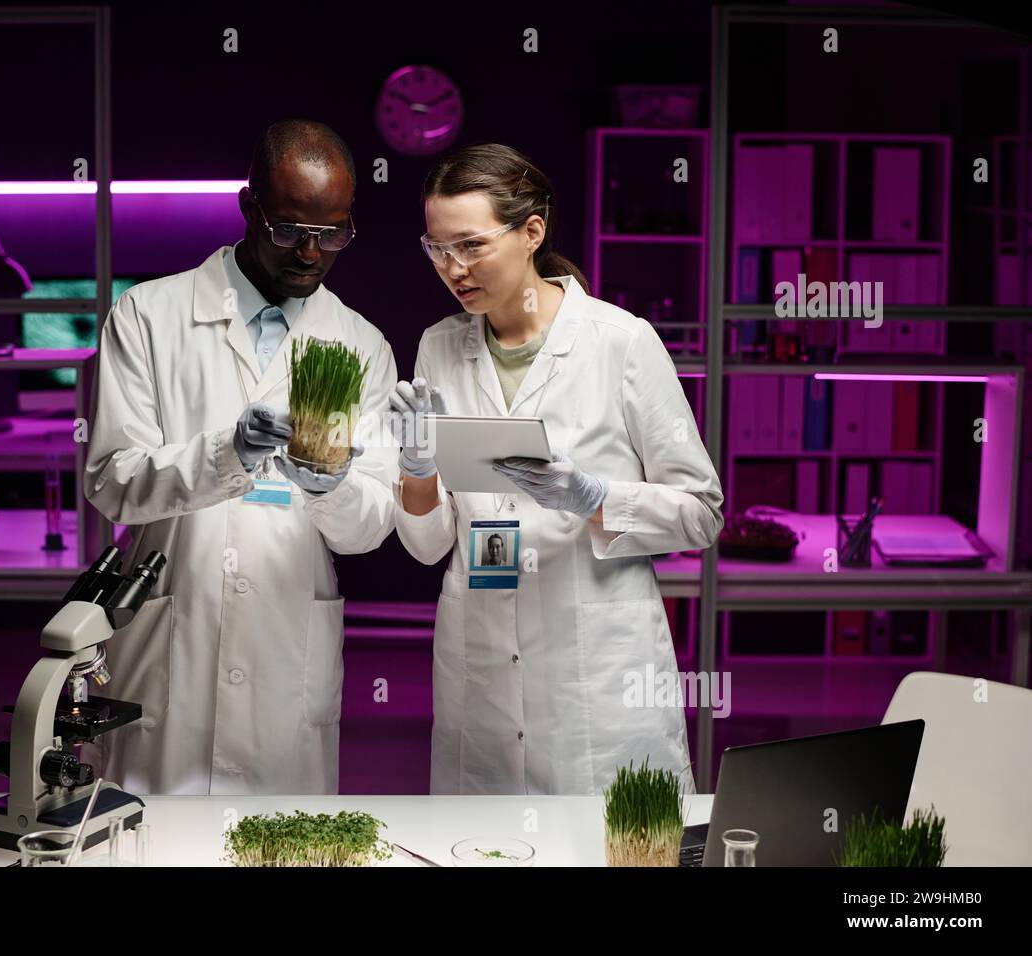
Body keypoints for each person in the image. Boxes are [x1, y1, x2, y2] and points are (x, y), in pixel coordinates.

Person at [389, 143, 723, 795]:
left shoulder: (620, 341)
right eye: (437, 248)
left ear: (531, 232)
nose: (453, 267)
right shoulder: (438, 347)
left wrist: (594, 497)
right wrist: (418, 468)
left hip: (597, 681)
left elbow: (702, 513)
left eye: (471, 245)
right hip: (480, 678)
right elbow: (429, 546)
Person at [83, 120, 399, 795]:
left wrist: (335, 484)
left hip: (288, 654)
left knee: (281, 844)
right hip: (171, 649)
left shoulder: (360, 343)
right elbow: (111, 482)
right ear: (248, 206)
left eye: (333, 233)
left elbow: (369, 526)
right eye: (289, 230)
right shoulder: (147, 316)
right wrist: (227, 454)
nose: (311, 254)